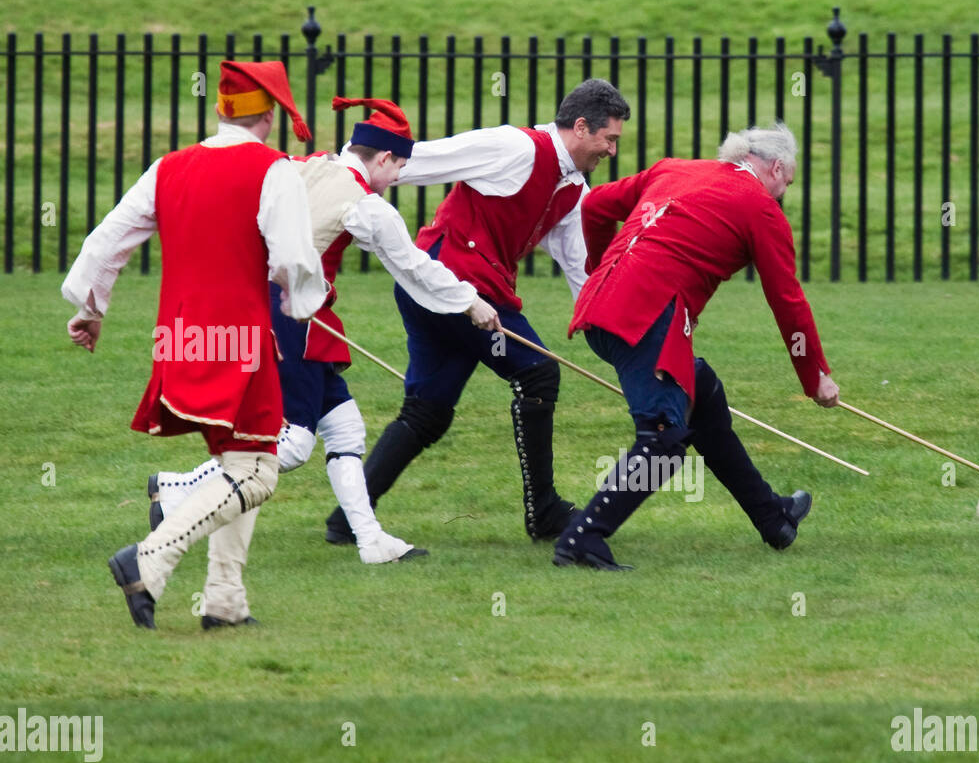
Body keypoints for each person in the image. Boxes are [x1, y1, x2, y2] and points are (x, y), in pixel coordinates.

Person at [147, 96, 502, 571]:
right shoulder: (365, 206)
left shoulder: (301, 165)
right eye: (398, 167)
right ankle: (175, 490)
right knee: (292, 443)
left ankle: (371, 540)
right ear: (382, 158)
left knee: (345, 427)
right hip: (291, 317)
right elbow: (413, 268)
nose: (398, 178)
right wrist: (471, 303)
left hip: (276, 306)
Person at [63, 60, 327, 628]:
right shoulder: (273, 169)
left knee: (239, 460)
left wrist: (91, 308)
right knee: (258, 473)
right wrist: (301, 301)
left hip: (180, 337)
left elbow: (107, 239)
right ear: (270, 114)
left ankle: (225, 602)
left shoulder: (170, 167)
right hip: (238, 337)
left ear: (220, 108)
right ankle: (149, 559)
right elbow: (293, 260)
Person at [322, 78, 630, 546]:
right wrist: (346, 172)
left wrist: (622, 343)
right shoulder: (514, 147)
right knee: (538, 373)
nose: (612, 149)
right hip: (453, 289)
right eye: (609, 138)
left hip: (452, 293)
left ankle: (348, 519)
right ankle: (544, 512)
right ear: (582, 127)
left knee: (427, 412)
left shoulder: (574, 193)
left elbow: (581, 275)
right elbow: (416, 159)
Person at [553, 122, 840, 570]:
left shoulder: (673, 169)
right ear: (776, 167)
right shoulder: (760, 209)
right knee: (664, 438)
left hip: (601, 310)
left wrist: (600, 268)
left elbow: (595, 207)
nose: (784, 193)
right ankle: (583, 539)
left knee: (700, 393)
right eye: (788, 182)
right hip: (646, 319)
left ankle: (773, 517)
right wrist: (814, 377)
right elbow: (787, 301)